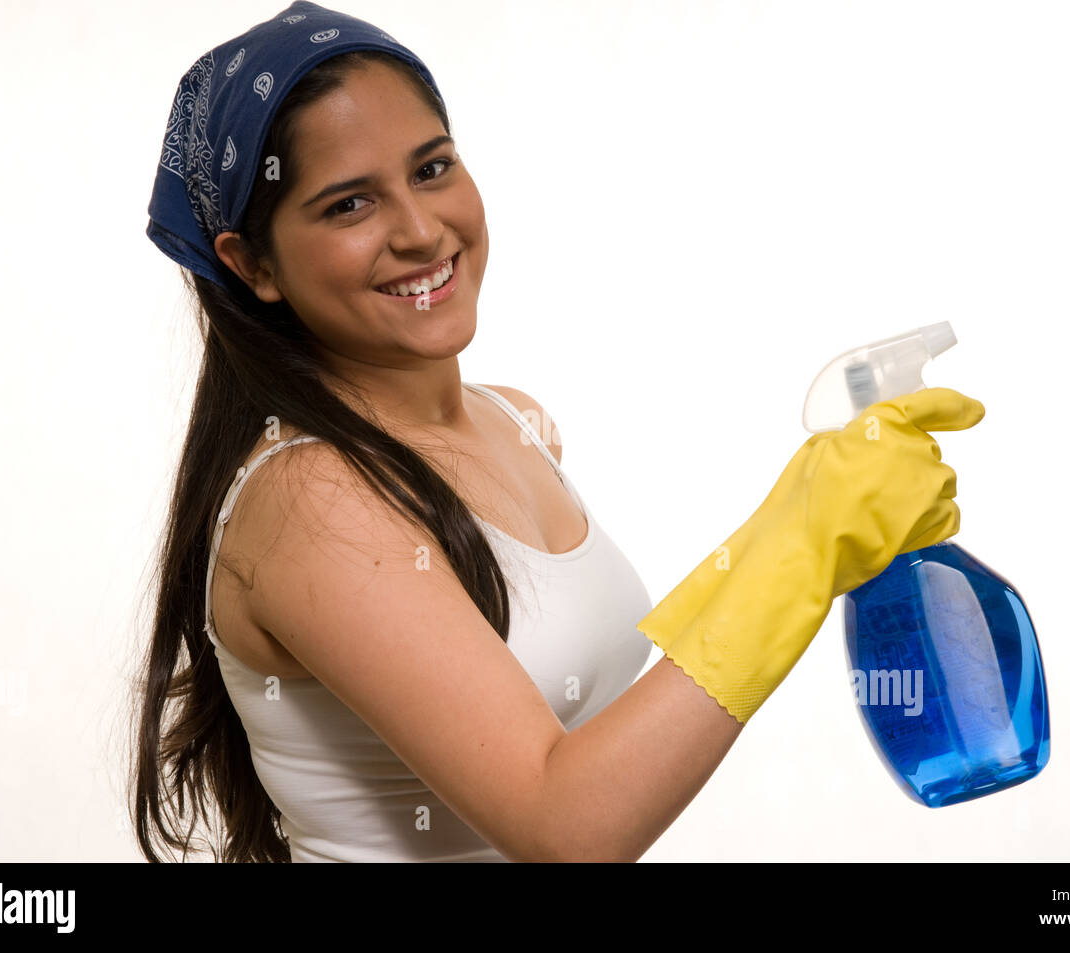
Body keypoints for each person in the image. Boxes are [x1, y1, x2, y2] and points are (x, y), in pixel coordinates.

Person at [132, 1, 985, 863]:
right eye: (350, 204)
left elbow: (600, 740)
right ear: (253, 264)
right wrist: (799, 546)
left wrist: (818, 522)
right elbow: (563, 822)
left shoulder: (516, 421)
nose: (421, 231)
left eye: (432, 169)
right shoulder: (308, 498)